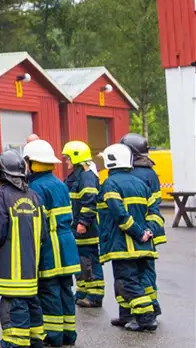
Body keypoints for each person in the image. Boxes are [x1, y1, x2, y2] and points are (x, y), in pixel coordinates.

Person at [0, 150, 43, 348]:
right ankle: (35, 339)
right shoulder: (33, 196)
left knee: (12, 301)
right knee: (30, 299)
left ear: (1, 173)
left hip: (9, 262)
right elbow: (42, 231)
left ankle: (14, 342)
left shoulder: (0, 195)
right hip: (31, 262)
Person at [24, 140, 80, 347]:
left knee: (49, 290)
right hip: (66, 243)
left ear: (31, 163)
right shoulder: (59, 183)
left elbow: (37, 223)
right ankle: (68, 333)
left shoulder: (35, 187)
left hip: (50, 245)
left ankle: (53, 335)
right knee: (65, 288)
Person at [97, 143, 157, 331]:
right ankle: (127, 315)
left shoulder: (110, 183)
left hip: (122, 244)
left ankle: (146, 318)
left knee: (127, 282)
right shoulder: (140, 183)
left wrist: (139, 233)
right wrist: (148, 231)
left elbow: (119, 214)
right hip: (144, 244)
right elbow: (154, 212)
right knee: (136, 280)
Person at [120, 133, 166, 316]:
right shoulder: (150, 171)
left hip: (133, 230)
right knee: (147, 270)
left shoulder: (130, 173)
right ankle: (152, 305)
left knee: (133, 272)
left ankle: (141, 311)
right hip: (150, 228)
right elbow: (156, 203)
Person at [62, 141, 104, 308]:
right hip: (77, 227)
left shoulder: (86, 176)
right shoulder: (76, 175)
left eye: (67, 158)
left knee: (90, 261)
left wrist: (84, 222)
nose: (66, 161)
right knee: (80, 261)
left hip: (87, 229)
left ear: (76, 157)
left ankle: (95, 295)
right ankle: (82, 291)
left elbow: (90, 201)